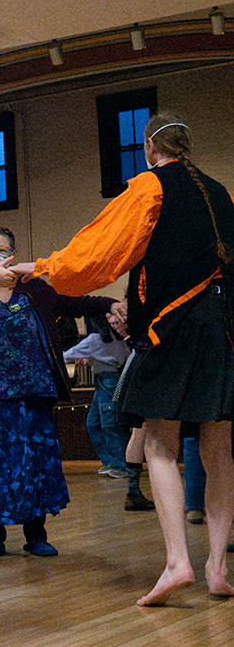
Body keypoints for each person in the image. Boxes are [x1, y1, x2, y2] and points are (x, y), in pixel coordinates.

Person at [13, 113, 234, 606]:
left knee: (159, 443)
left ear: (151, 147)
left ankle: (178, 561)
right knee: (220, 449)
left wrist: (44, 266)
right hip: (225, 329)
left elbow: (99, 254)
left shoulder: (151, 187)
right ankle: (217, 568)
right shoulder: (223, 194)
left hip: (172, 326)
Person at [0, 225, 120, 558]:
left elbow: (73, 303)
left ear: (13, 254)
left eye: (0, 250)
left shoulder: (33, 289)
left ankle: (35, 533)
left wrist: (109, 303)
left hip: (31, 392)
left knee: (33, 464)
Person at [63, 309, 132, 479]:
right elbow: (124, 357)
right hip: (112, 379)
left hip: (104, 380)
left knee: (109, 424)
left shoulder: (94, 339)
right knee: (95, 423)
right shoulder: (117, 338)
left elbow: (68, 355)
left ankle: (119, 465)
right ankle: (112, 462)